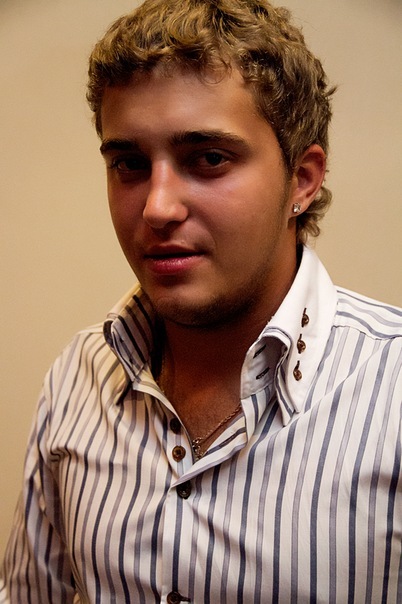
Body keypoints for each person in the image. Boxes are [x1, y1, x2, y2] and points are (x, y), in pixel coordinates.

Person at [1, 0, 401, 601]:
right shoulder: (76, 378)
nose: (157, 207)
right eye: (129, 163)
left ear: (302, 178)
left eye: (209, 159)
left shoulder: (393, 392)